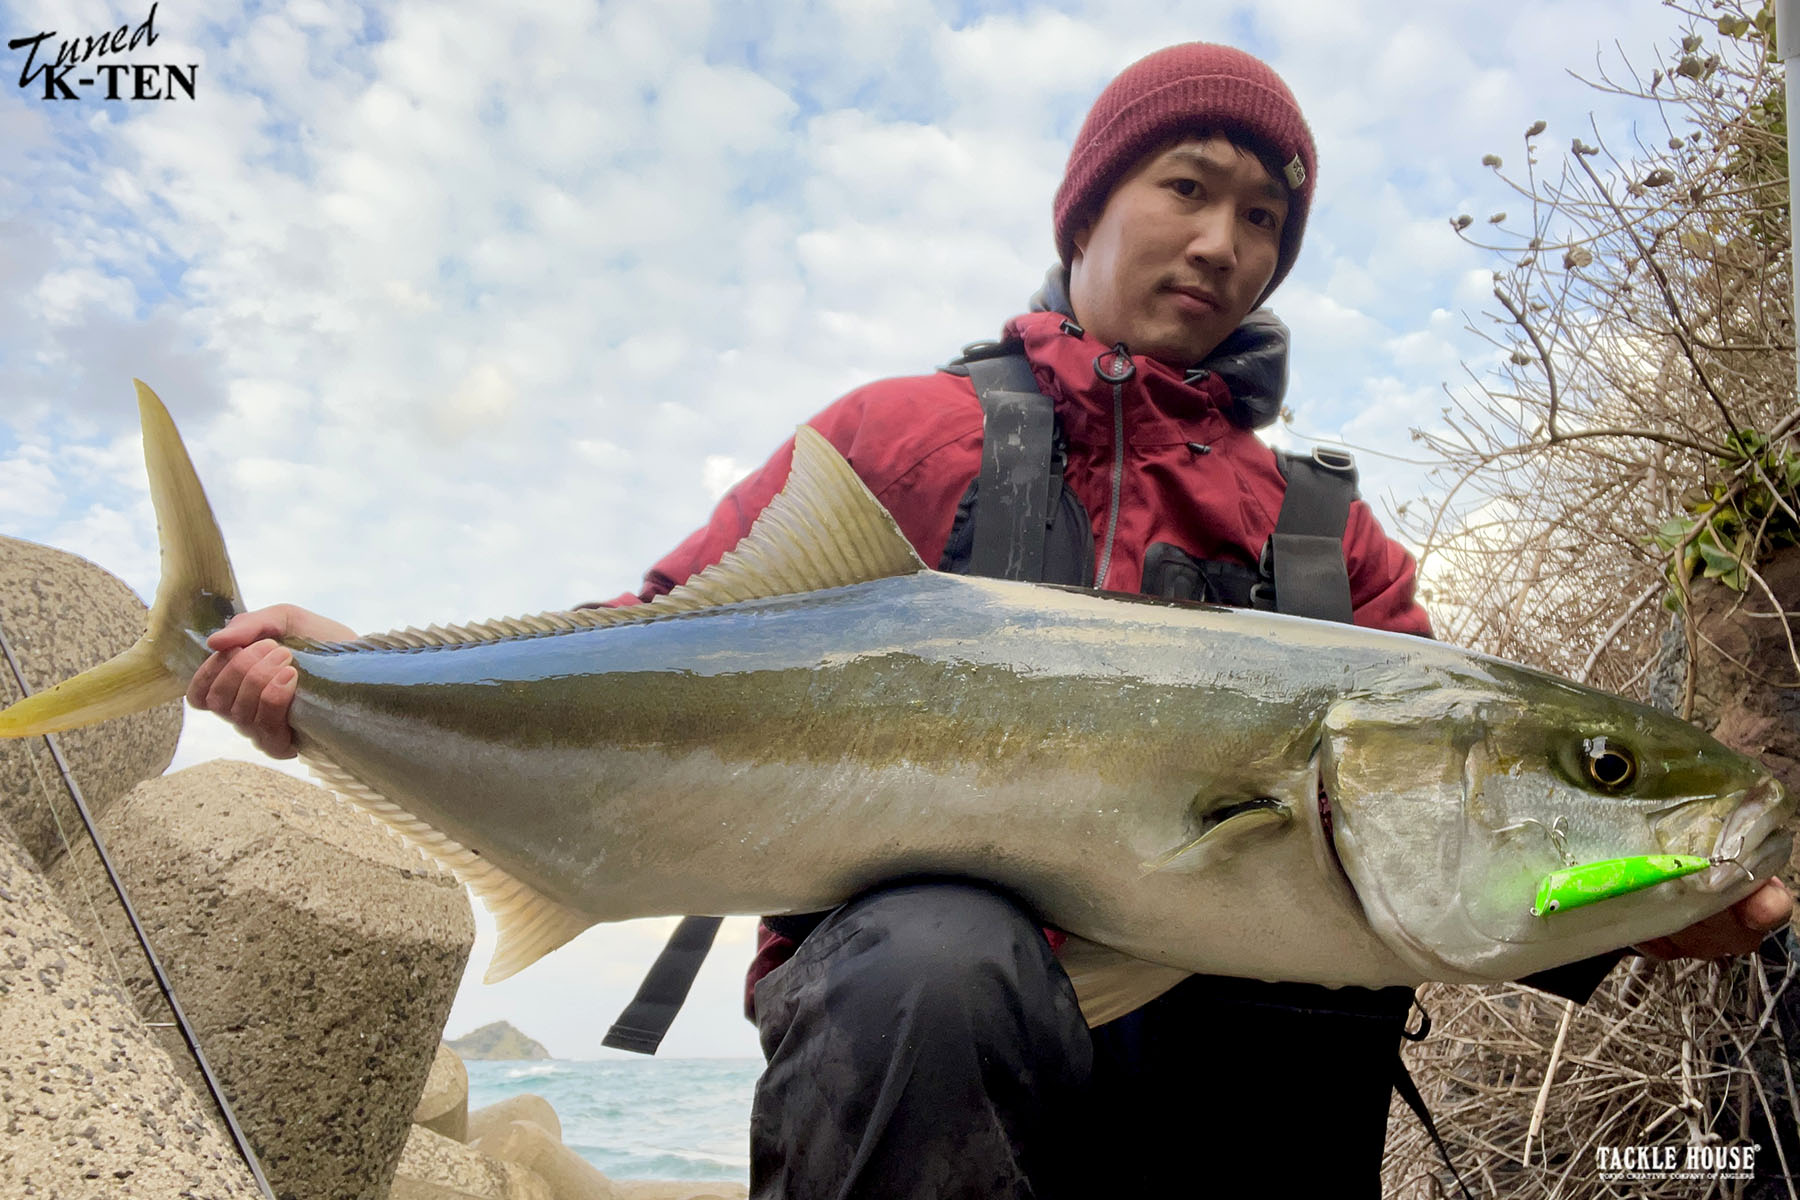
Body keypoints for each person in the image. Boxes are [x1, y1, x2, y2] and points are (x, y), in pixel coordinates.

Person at [190, 42, 1792, 1198]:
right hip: (921, 1097)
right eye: (1189, 188)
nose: (1225, 243)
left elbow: (1443, 850)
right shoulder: (906, 437)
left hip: (1245, 1125)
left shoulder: (1333, 540)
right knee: (936, 962)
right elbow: (663, 633)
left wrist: (1644, 904)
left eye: (1268, 223)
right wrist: (352, 676)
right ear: (1088, 207)